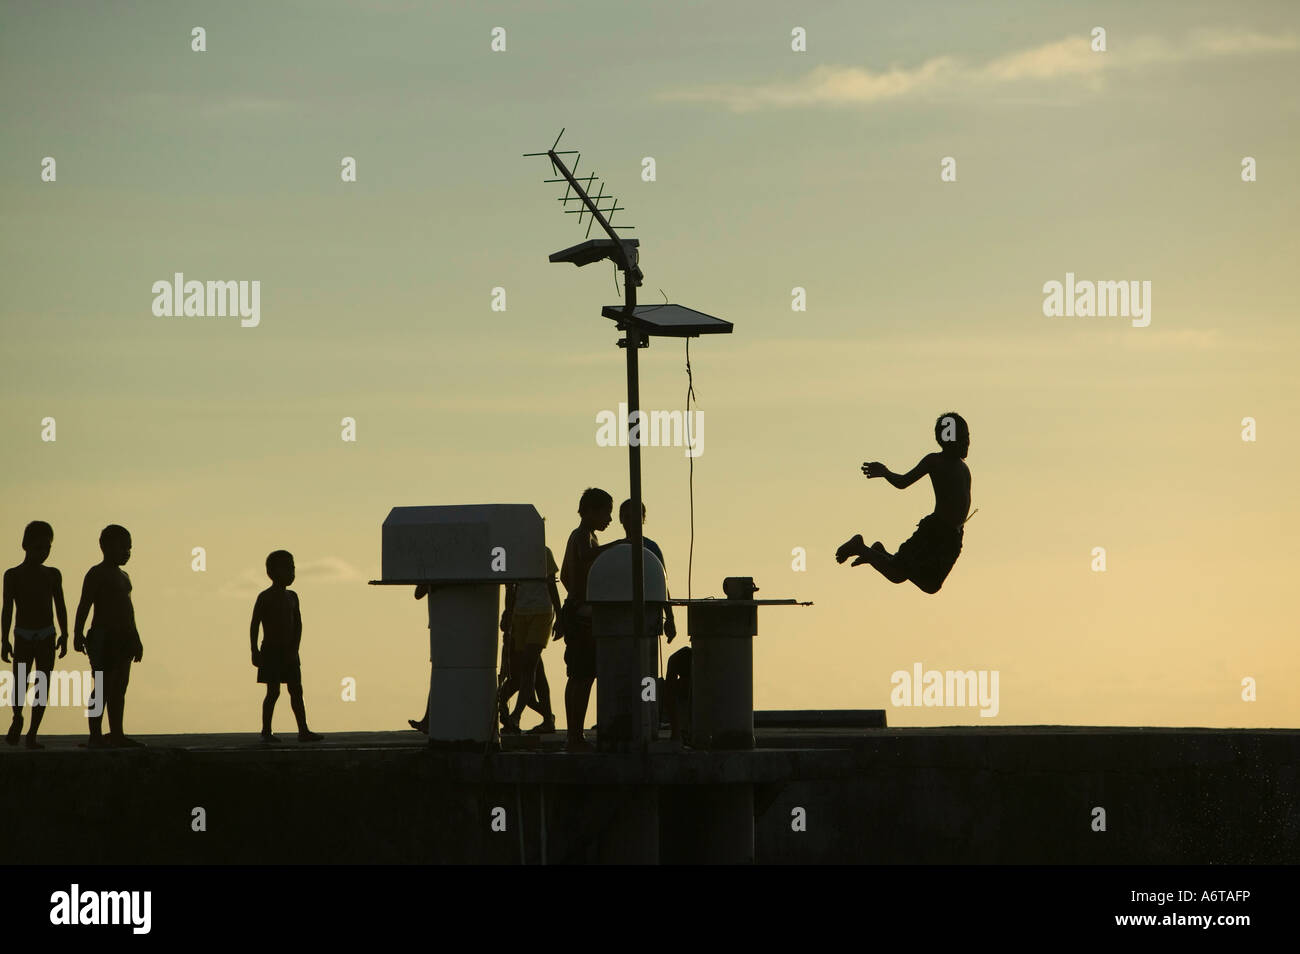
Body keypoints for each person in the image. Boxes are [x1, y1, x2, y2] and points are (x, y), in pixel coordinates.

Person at [836, 412, 973, 594]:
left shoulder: (963, 468)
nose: (967, 443)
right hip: (934, 532)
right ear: (948, 440)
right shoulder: (935, 461)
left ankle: (880, 555)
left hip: (952, 537)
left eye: (968, 438)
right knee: (896, 574)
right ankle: (860, 547)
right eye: (962, 438)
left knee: (931, 585)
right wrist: (885, 472)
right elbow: (903, 482)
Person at [74, 524, 144, 748]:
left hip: (124, 638)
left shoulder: (125, 577)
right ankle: (95, 735)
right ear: (105, 546)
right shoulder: (97, 573)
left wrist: (136, 639)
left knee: (120, 688)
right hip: (104, 637)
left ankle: (116, 734)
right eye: (122, 547)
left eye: (129, 548)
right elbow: (84, 604)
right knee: (102, 686)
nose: (126, 552)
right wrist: (77, 632)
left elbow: (129, 611)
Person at [2, 521, 68, 748]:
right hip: (22, 634)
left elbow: (60, 606)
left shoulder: (52, 575)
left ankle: (32, 733)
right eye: (38, 547)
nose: (43, 552)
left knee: (43, 683)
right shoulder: (12, 575)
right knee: (20, 682)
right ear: (25, 545)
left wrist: (65, 634)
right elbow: (7, 609)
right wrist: (4, 640)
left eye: (47, 547)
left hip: (47, 634)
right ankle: (18, 716)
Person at [560, 487, 613, 752]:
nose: (610, 520)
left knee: (580, 677)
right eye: (606, 513)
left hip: (577, 611)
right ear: (591, 511)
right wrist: (619, 546)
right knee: (582, 676)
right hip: (581, 617)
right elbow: (582, 559)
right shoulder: (582, 537)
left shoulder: (584, 536)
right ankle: (574, 736)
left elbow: (565, 575)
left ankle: (574, 734)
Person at [250, 550, 321, 743]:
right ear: (273, 572)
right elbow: (255, 624)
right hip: (271, 651)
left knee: (296, 690)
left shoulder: (293, 597)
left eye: (293, 568)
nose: (292, 572)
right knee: (273, 692)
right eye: (287, 568)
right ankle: (266, 731)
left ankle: (303, 730)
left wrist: (295, 648)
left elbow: (298, 624)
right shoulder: (265, 597)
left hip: (290, 652)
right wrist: (254, 650)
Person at [500, 545, 562, 734]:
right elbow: (510, 588)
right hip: (520, 615)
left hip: (541, 613)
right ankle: (548, 719)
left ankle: (516, 715)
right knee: (536, 670)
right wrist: (507, 614)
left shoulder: (544, 552)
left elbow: (552, 584)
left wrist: (560, 617)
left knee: (527, 666)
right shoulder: (512, 553)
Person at [615, 499, 677, 643]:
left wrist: (670, 617)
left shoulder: (651, 548)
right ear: (621, 519)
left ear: (643, 519)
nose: (631, 521)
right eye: (627, 517)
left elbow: (663, 584)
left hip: (649, 615)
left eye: (636, 516)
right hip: (621, 616)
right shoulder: (617, 550)